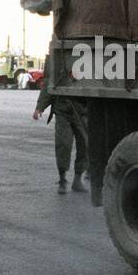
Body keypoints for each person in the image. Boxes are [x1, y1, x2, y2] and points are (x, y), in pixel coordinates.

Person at [32, 62, 89, 194]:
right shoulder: (60, 61)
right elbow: (48, 85)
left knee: (86, 145)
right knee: (64, 144)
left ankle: (77, 179)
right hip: (63, 111)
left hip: (82, 112)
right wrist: (39, 108)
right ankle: (62, 179)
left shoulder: (89, 61)